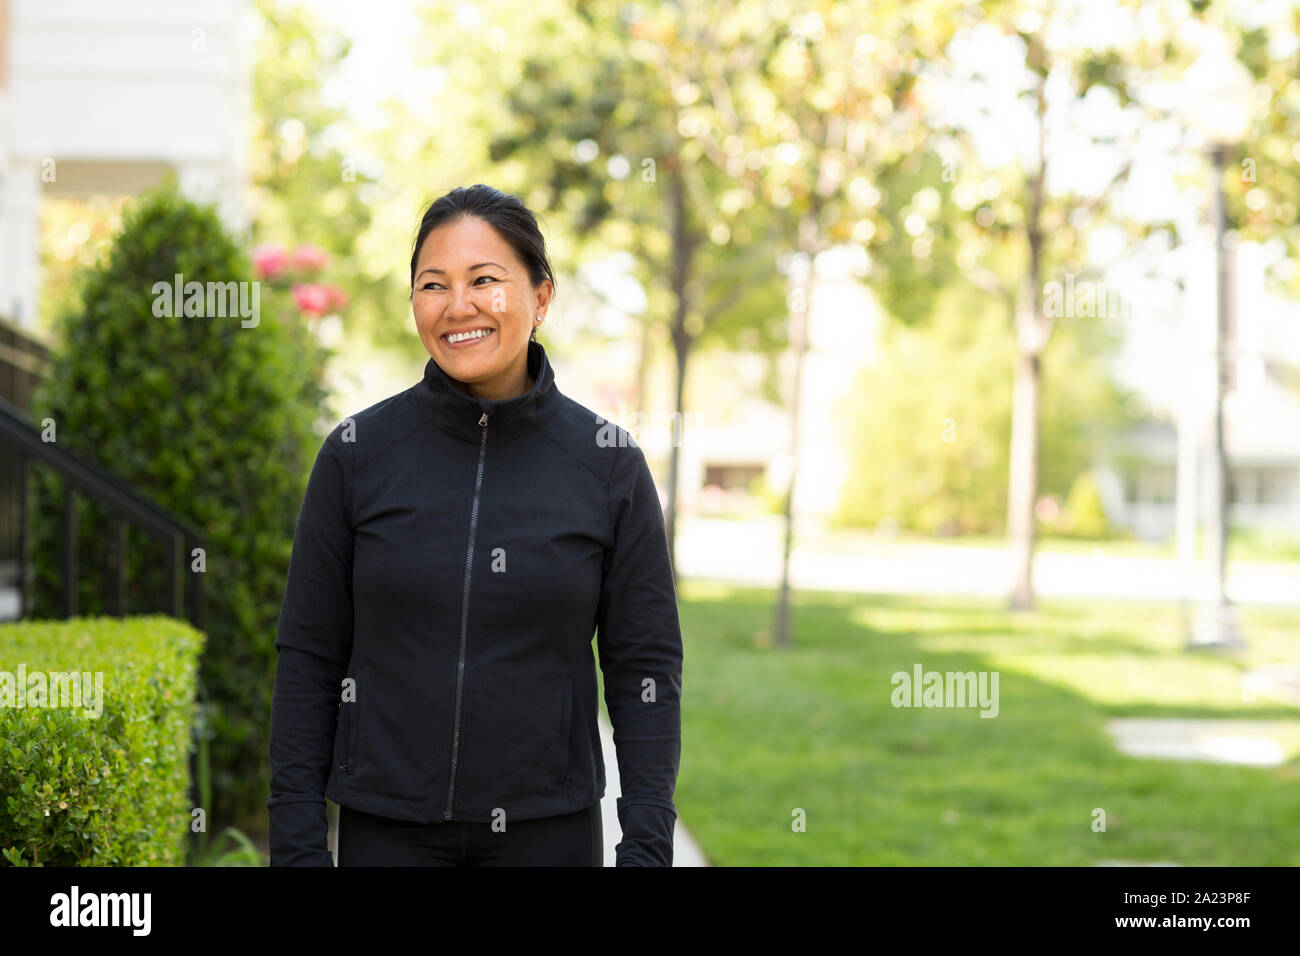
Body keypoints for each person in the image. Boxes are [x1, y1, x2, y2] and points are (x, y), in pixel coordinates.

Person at [266, 184, 684, 867]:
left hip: (548, 832)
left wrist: (646, 848)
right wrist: (297, 848)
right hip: (386, 830)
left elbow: (646, 668)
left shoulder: (607, 464)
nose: (458, 306)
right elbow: (309, 657)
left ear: (541, 298)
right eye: (434, 285)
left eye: (484, 280)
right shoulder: (357, 455)